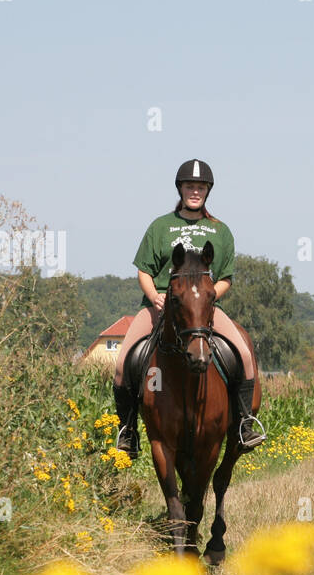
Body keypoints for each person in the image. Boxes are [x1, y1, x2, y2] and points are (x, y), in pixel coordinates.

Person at [112, 159, 264, 458]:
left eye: (201, 187)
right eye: (190, 186)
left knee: (244, 355)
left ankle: (245, 422)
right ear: (181, 189)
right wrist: (155, 294)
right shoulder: (159, 226)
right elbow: (144, 270)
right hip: (159, 306)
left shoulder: (220, 231)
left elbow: (225, 278)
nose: (195, 191)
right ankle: (128, 429)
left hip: (202, 309)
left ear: (207, 191)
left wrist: (207, 299)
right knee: (121, 364)